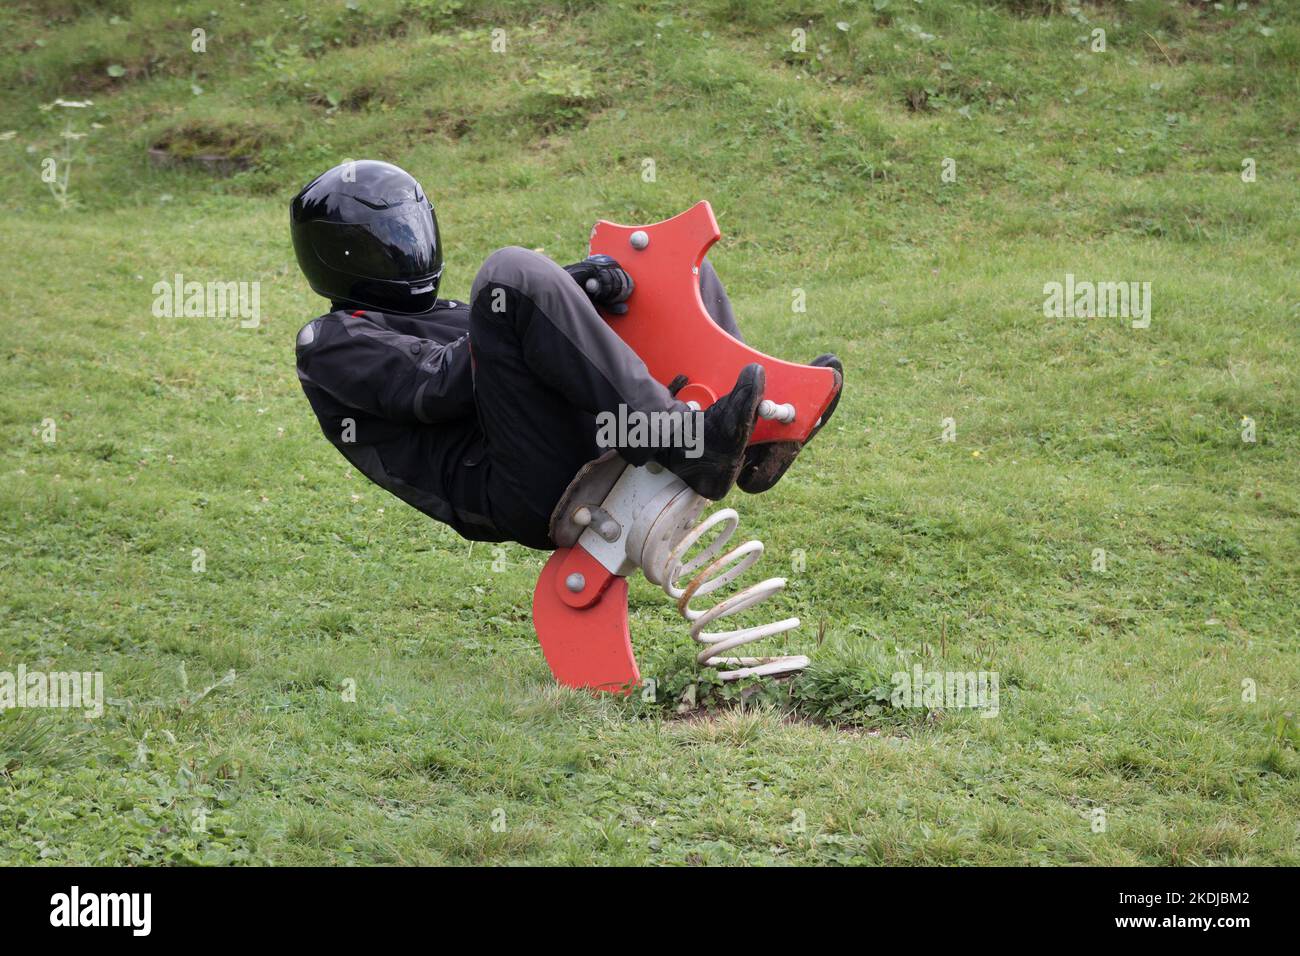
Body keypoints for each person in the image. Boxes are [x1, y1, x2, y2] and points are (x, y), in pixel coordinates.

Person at [291, 160, 842, 551]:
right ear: (334, 257)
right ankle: (685, 441)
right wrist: (551, 291)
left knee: (655, 270)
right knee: (512, 272)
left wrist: (586, 291)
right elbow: (437, 387)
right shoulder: (330, 343)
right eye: (382, 240)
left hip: (577, 436)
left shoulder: (443, 312)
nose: (403, 247)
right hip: (521, 488)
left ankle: (744, 439)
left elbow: (529, 348)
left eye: (407, 230)